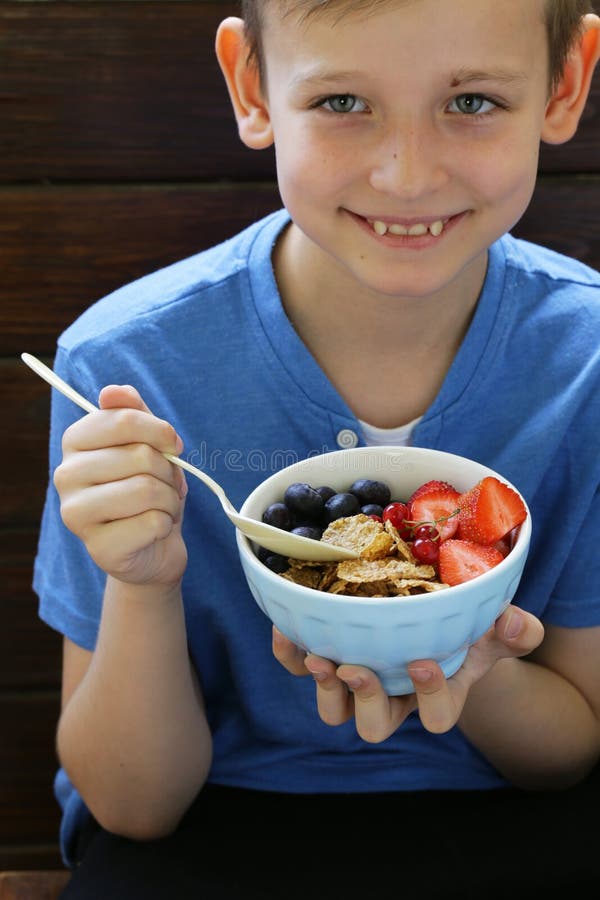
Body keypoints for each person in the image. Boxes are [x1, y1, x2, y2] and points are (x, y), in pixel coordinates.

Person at [33, 1, 600, 897]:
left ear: (565, 85)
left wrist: (454, 647)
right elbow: (133, 806)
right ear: (253, 87)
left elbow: (567, 758)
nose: (406, 175)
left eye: (473, 102)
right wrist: (143, 582)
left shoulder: (588, 360)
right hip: (219, 820)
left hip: (508, 817)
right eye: (342, 102)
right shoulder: (126, 367)